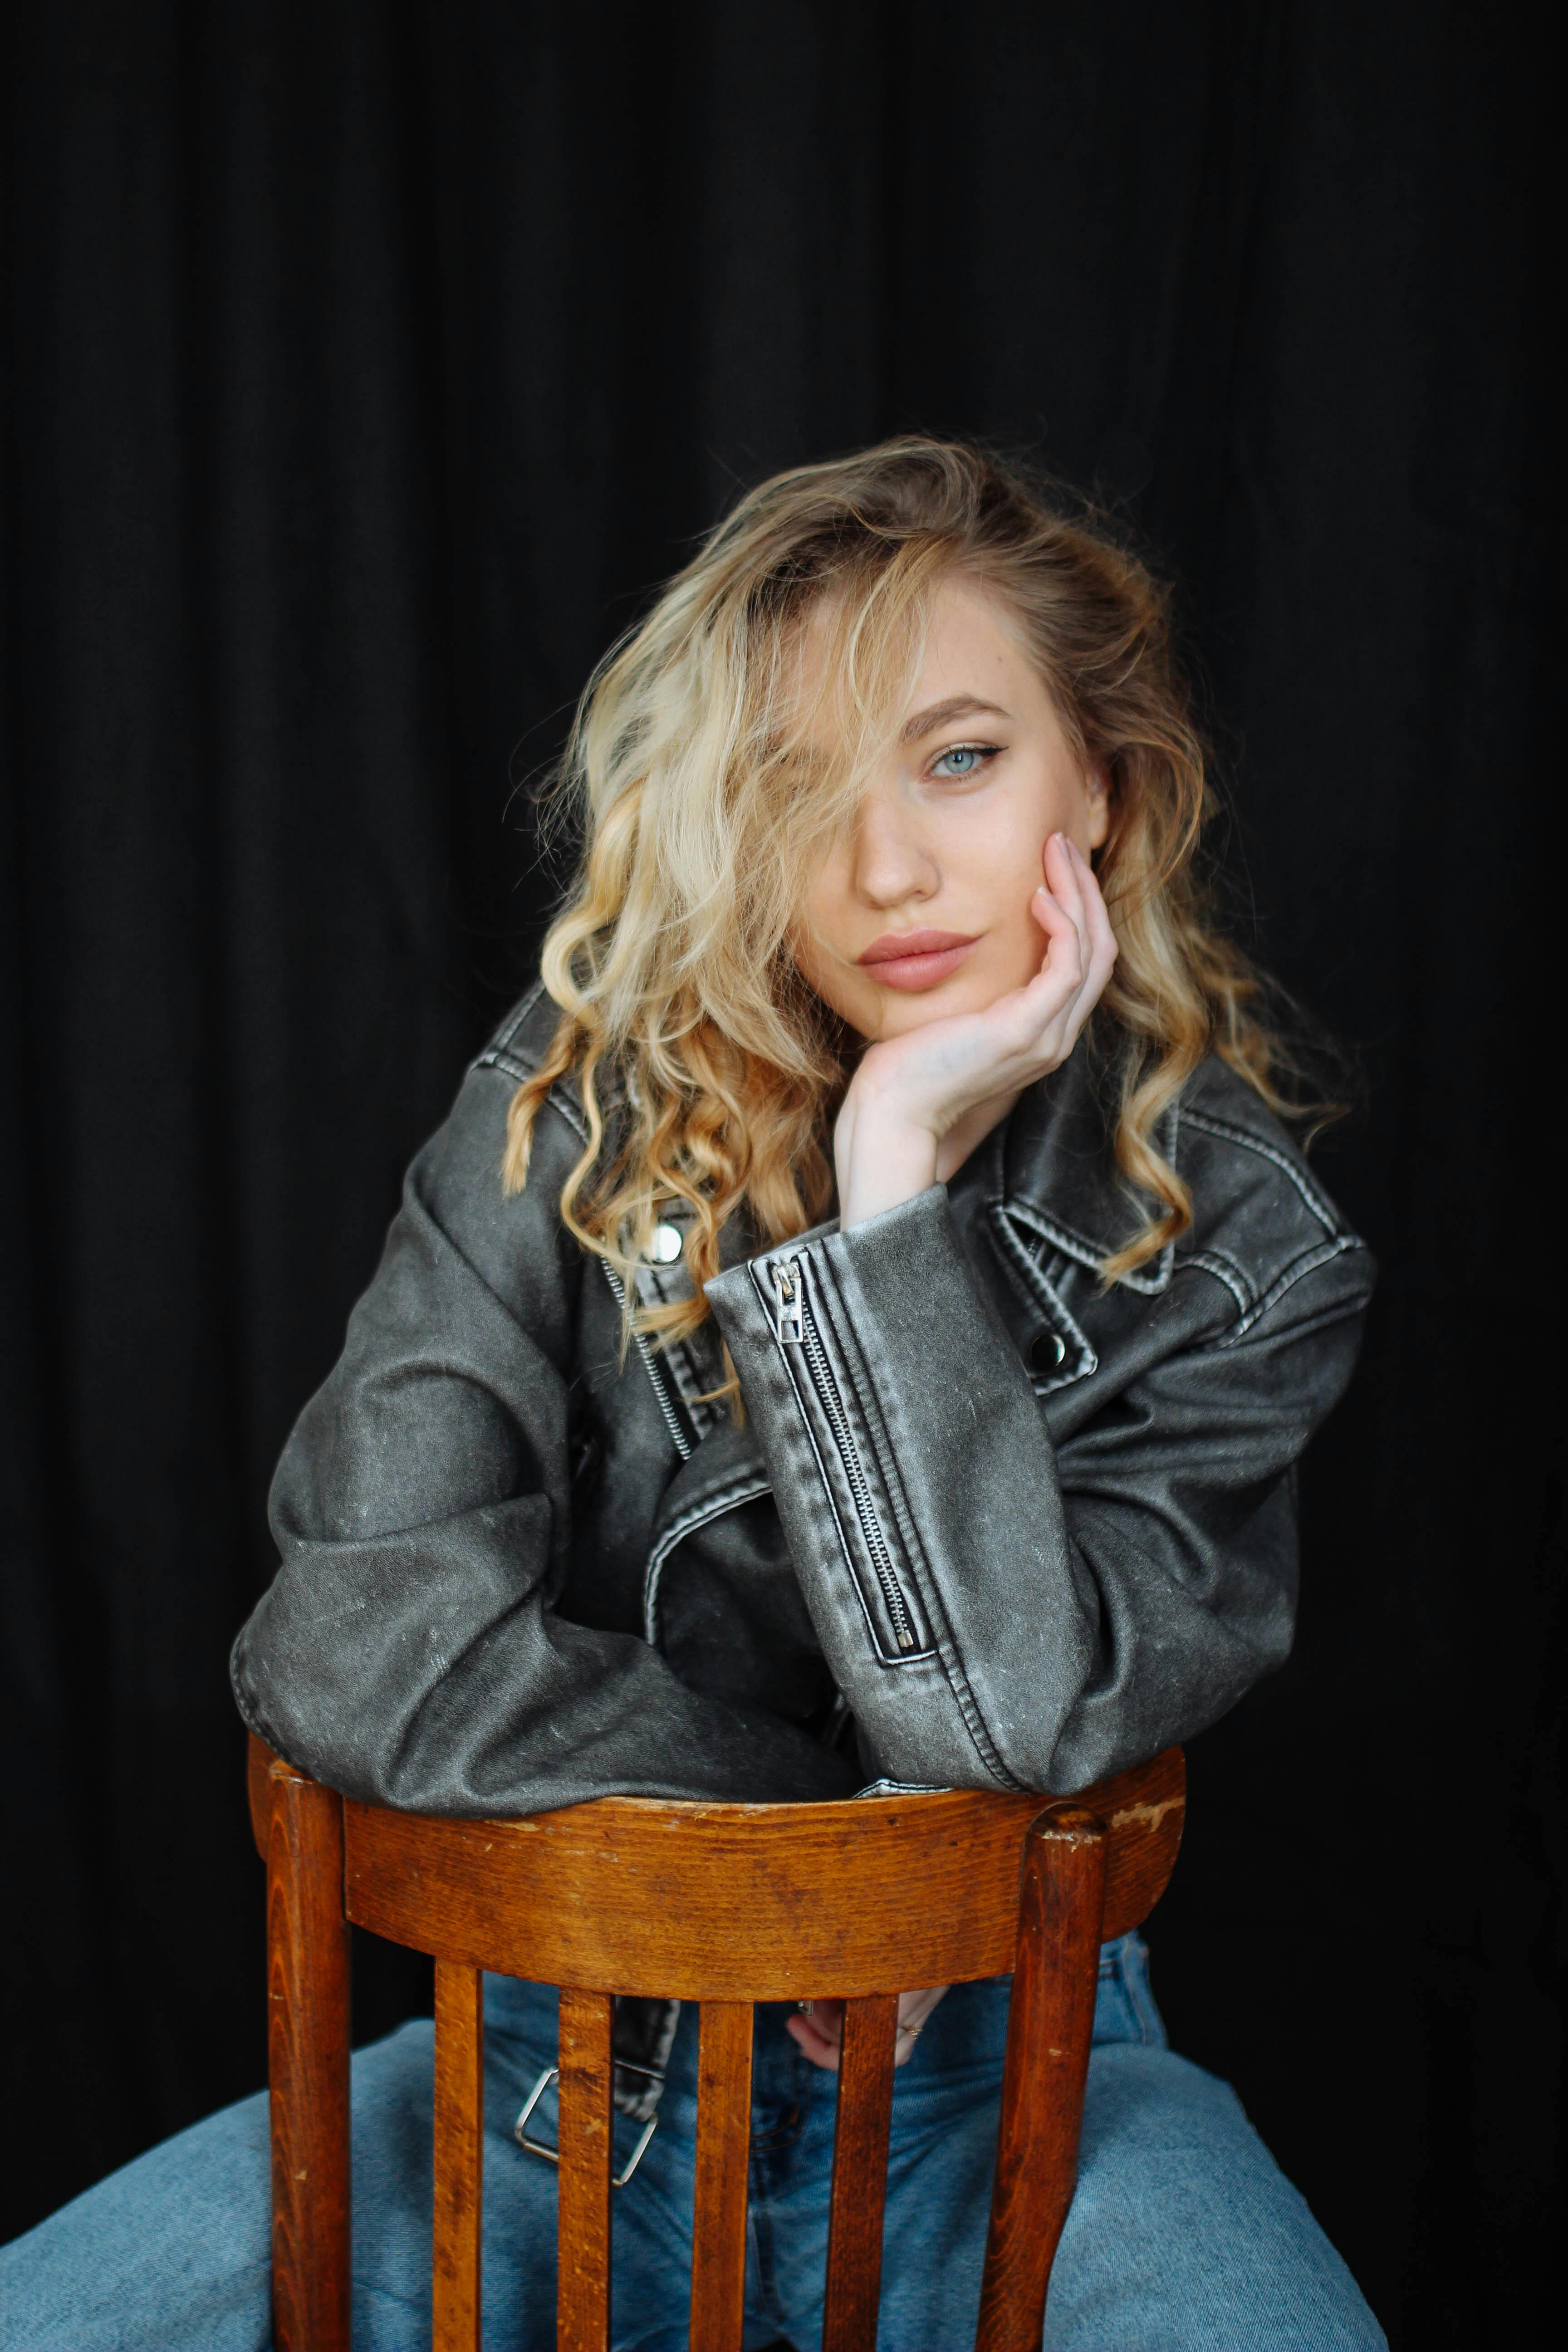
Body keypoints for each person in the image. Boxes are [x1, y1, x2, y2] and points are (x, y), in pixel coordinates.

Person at [0, 439, 1385, 2349]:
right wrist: (828, 1869)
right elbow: (353, 1640)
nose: (883, 865)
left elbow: (1013, 1709)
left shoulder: (1242, 1250)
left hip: (1003, 2124)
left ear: (1111, 783)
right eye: (797, 785)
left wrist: (890, 1186)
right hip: (552, 2094)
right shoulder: (573, 1105)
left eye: (960, 756)